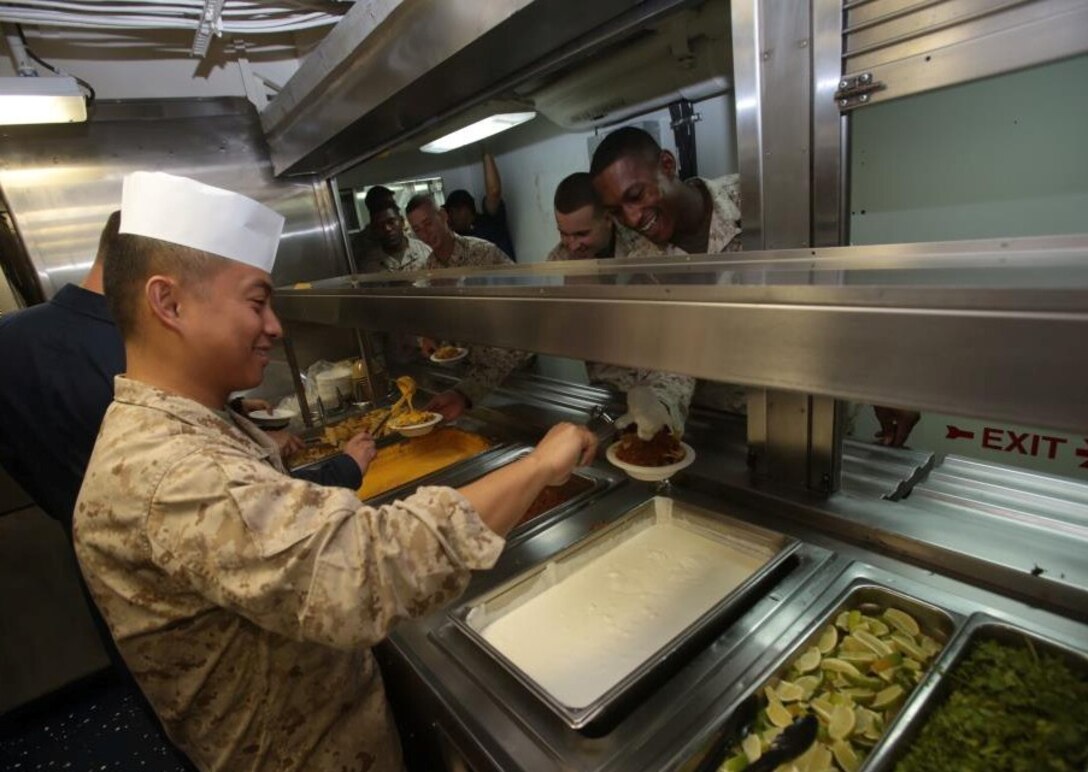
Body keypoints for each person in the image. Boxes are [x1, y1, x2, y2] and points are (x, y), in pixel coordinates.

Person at [73, 171, 597, 772]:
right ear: (169, 303)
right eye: (256, 301)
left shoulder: (185, 430)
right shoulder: (170, 472)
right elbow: (370, 567)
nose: (274, 326)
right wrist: (538, 464)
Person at [590, 127, 920, 446]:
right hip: (726, 432)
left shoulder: (762, 200)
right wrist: (658, 403)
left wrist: (882, 379)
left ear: (667, 165)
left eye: (635, 195)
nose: (632, 218)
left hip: (811, 419)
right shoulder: (638, 257)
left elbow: (834, 292)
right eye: (617, 211)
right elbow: (676, 350)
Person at [543, 172, 694, 441]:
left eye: (581, 233)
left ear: (608, 219)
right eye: (563, 233)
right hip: (608, 396)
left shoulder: (649, 251)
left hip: (666, 395)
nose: (571, 244)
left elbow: (682, 333)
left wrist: (662, 401)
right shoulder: (559, 261)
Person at [405, 193, 529, 419]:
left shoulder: (483, 253)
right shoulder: (428, 271)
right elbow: (428, 319)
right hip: (468, 378)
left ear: (443, 216)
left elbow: (523, 309)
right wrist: (426, 336)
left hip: (511, 373)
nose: (425, 234)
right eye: (418, 230)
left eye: (428, 223)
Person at [443, 153, 517, 260]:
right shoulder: (457, 238)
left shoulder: (490, 222)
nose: (451, 217)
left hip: (507, 275)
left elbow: (494, 191)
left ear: (465, 210)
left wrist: (486, 152)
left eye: (453, 212)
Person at [356, 202, 431, 273]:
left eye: (391, 222)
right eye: (380, 225)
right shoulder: (369, 266)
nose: (387, 228)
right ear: (374, 229)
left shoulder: (425, 251)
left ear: (402, 222)